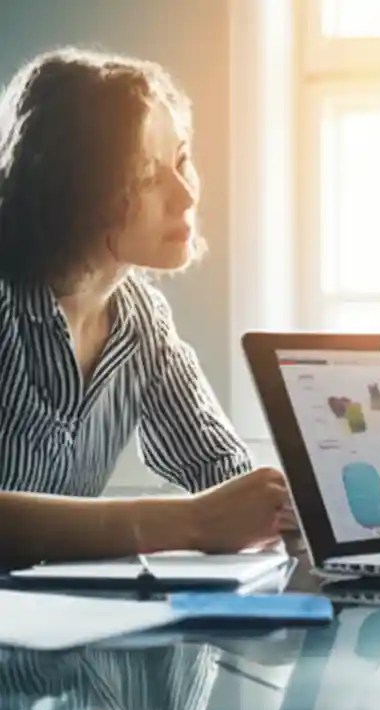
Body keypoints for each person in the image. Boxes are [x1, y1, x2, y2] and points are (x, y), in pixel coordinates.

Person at [0, 48, 291, 567]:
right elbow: (207, 514)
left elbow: (221, 469)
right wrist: (190, 521)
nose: (185, 196)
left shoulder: (142, 318)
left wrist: (289, 513)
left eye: (181, 161)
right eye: (147, 175)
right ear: (71, 189)